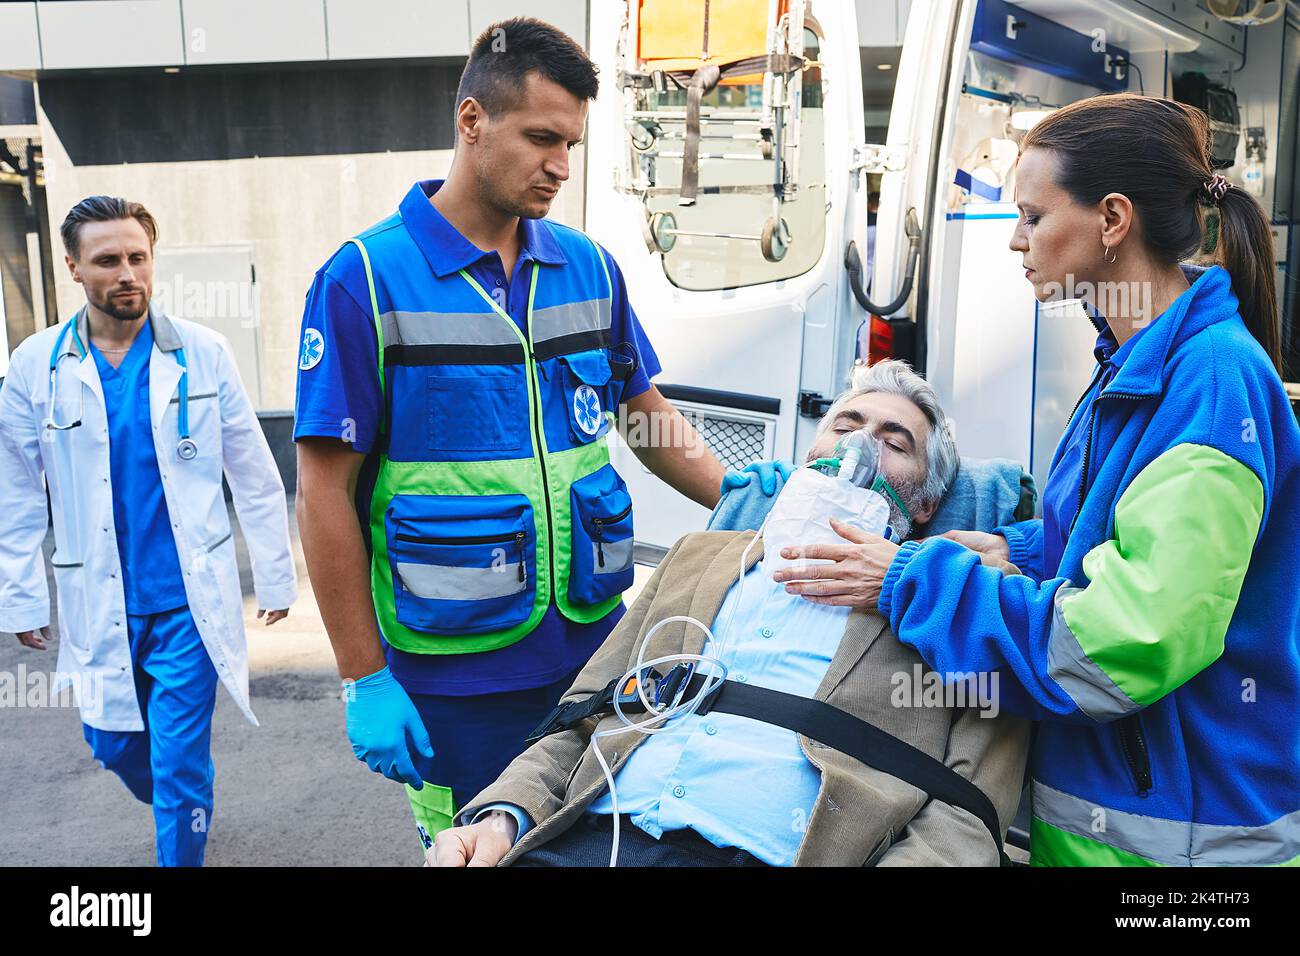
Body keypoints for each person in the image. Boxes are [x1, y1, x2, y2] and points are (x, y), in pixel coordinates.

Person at [293, 17, 784, 848]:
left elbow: (642, 411)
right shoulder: (363, 280)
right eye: (541, 138)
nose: (560, 166)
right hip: (456, 674)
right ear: (472, 121)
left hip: (597, 651)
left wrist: (743, 500)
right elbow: (323, 491)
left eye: (572, 144)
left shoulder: (587, 266)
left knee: (600, 846)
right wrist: (362, 675)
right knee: (480, 851)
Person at [778, 94, 1300, 866]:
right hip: (1103, 821)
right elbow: (1107, 533)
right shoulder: (1133, 359)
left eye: (1032, 215)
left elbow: (1124, 642)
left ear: (1112, 220)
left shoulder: (1212, 385)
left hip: (1184, 843)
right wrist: (1009, 548)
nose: (1016, 240)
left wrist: (909, 580)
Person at [429, 360, 1030, 867]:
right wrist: (504, 815)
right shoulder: (699, 557)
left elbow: (969, 808)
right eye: (846, 424)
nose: (860, 445)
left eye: (895, 442)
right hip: (597, 839)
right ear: (808, 455)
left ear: (925, 503)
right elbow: (579, 718)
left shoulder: (963, 598)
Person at [0, 196, 297, 866]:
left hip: (187, 606)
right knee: (114, 746)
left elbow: (252, 472)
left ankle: (182, 823)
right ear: (74, 268)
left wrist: (276, 574)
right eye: (108, 260)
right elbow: (16, 492)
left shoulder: (203, 352)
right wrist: (20, 597)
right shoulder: (35, 364)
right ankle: (180, 802)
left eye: (138, 257)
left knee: (180, 761)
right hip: (96, 599)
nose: (128, 272)